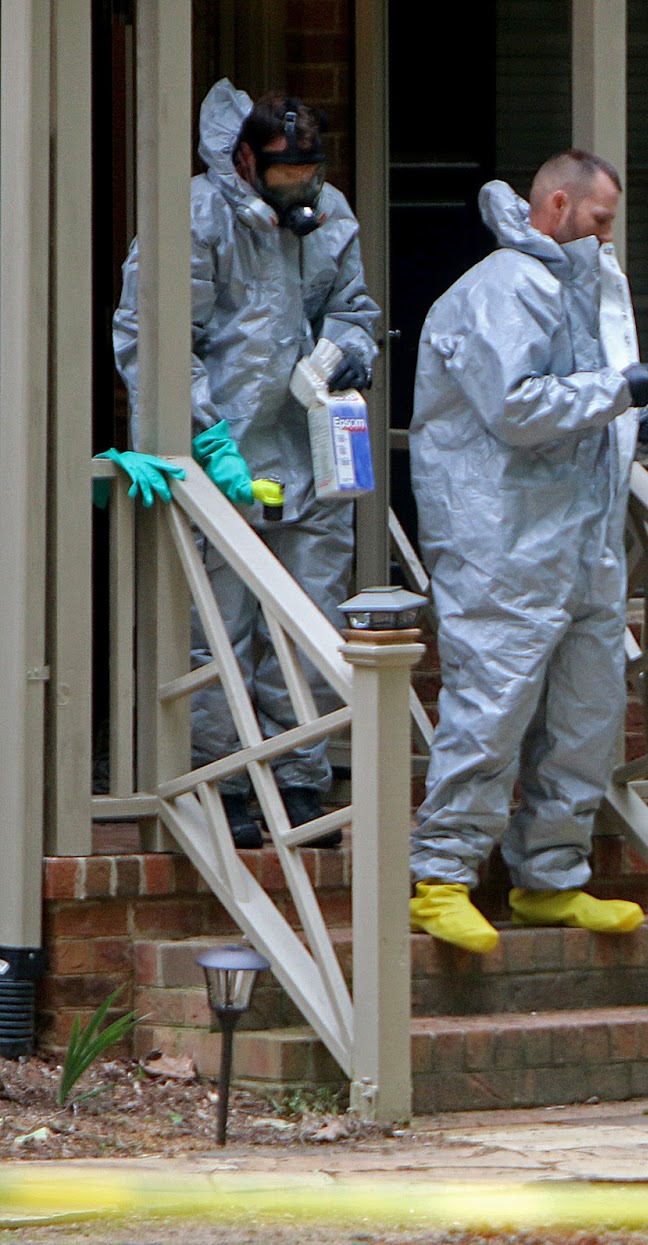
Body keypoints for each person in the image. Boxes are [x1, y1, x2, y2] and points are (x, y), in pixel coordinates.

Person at [407, 151, 648, 954]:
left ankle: (550, 878)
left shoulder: (572, 290)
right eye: (600, 220)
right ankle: (440, 880)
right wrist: (620, 392)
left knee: (586, 716)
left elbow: (571, 421)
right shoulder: (504, 287)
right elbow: (515, 408)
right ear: (557, 205)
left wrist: (645, 425)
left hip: (578, 547)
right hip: (501, 545)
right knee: (491, 710)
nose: (608, 237)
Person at [112, 80, 380, 849]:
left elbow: (353, 309)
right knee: (215, 630)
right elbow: (155, 337)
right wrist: (207, 436)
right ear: (245, 162)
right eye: (285, 175)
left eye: (309, 174)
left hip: (309, 453)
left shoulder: (330, 215)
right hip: (220, 460)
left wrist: (348, 351)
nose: (300, 190)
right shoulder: (195, 218)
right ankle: (224, 780)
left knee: (310, 619)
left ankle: (299, 779)